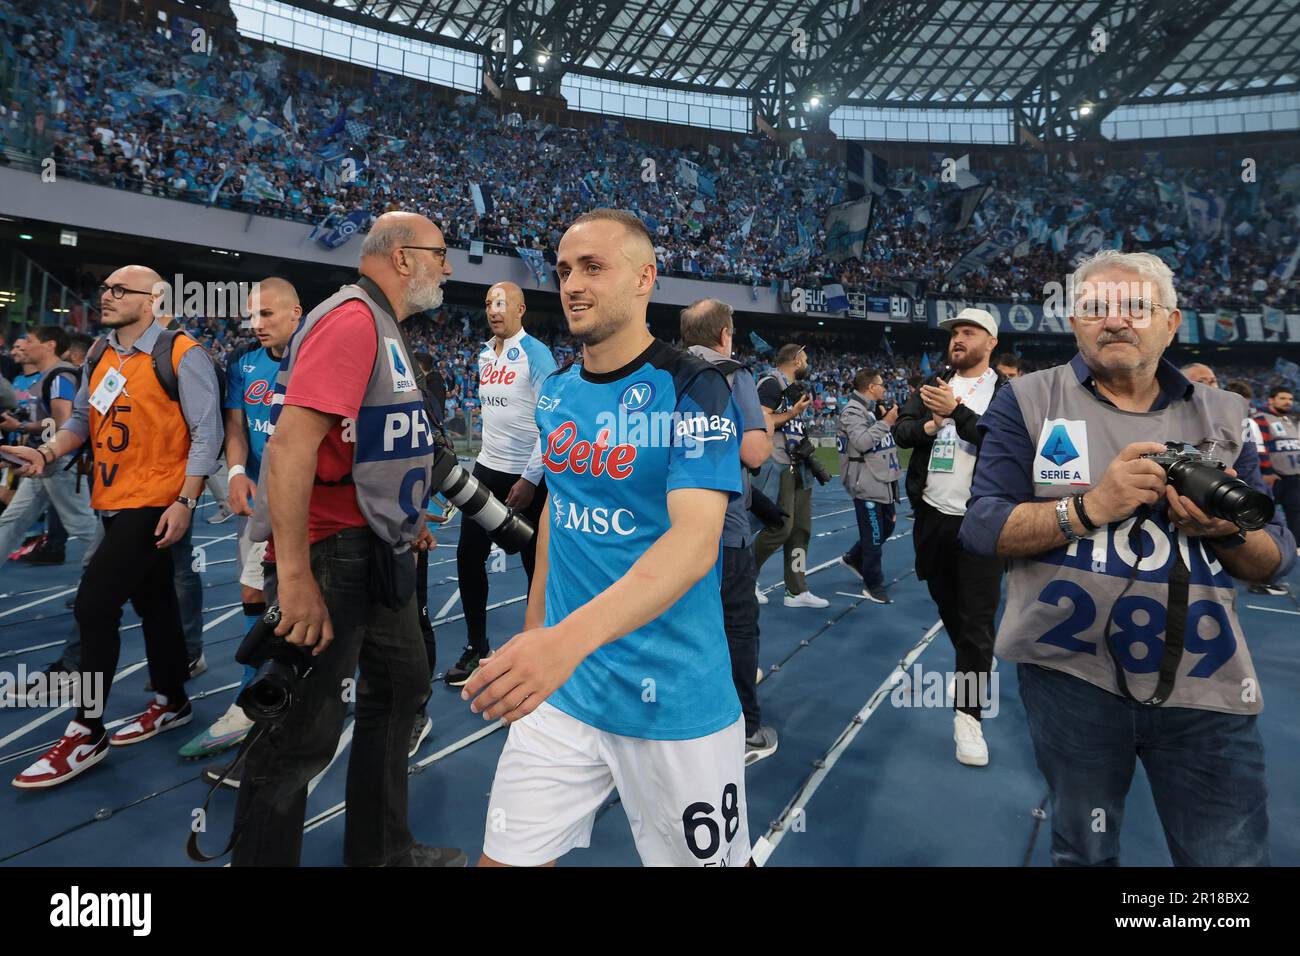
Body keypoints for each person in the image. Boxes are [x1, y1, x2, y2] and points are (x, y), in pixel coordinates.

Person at [961, 249, 1294, 866]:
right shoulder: (1027, 399)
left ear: (1171, 322)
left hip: (1205, 680)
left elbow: (1274, 559)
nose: (1115, 322)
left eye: (1136, 308)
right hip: (1069, 678)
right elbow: (982, 528)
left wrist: (1227, 531)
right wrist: (1090, 507)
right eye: (1094, 309)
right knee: (1083, 852)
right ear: (1074, 321)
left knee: (1228, 868)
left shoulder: (1224, 413)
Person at [465, 210, 749, 867]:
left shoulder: (695, 389)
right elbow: (557, 525)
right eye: (564, 270)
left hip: (674, 702)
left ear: (645, 278)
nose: (572, 284)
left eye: (594, 267)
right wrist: (538, 638)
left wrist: (561, 644)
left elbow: (694, 542)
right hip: (565, 692)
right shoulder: (557, 392)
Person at [234, 211, 464, 867]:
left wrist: (404, 516)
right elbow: (289, 450)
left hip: (376, 548)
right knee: (299, 735)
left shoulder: (381, 325)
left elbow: (366, 444)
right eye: (440, 253)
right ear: (401, 258)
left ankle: (381, 851)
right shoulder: (353, 320)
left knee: (400, 689)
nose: (448, 267)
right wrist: (296, 577)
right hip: (331, 558)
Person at [5, 265, 223, 789]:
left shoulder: (180, 354)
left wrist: (186, 502)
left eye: (120, 289)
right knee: (156, 604)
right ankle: (172, 701)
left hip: (155, 501)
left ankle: (86, 729)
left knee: (94, 606)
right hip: (112, 499)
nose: (106, 295)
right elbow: (83, 418)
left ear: (152, 300)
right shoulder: (102, 352)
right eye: (105, 288)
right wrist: (46, 451)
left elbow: (206, 431)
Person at [180, 277, 302, 770]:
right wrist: (234, 471)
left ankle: (312, 693)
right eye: (253, 315)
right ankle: (253, 698)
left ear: (297, 312)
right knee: (254, 594)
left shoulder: (318, 358)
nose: (257, 324)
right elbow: (235, 424)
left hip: (312, 504)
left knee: (303, 598)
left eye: (268, 315)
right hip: (260, 502)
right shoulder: (242, 363)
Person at [893, 307, 1008, 768]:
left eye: (968, 332)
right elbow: (901, 431)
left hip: (981, 520)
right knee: (949, 608)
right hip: (934, 516)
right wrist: (927, 423)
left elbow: (999, 439)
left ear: (990, 342)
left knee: (977, 622)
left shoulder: (1007, 392)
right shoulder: (933, 386)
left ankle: (968, 715)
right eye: (954, 333)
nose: (957, 339)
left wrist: (956, 413)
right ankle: (975, 660)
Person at [681, 297, 778, 765]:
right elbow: (756, 452)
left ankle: (686, 717)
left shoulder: (665, 370)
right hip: (724, 525)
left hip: (671, 524)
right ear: (724, 335)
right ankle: (743, 729)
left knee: (682, 621)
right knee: (737, 624)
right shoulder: (732, 374)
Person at [446, 281, 555, 687]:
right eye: (489, 302)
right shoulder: (480, 354)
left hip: (529, 476)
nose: (494, 309)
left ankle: (535, 648)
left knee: (534, 564)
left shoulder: (536, 353)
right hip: (487, 470)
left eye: (502, 302)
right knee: (466, 555)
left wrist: (530, 477)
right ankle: (478, 646)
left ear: (521, 309)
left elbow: (551, 419)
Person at [0, 325, 97, 571]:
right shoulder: (47, 376)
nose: (24, 345)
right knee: (12, 520)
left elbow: (62, 421)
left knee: (82, 525)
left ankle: (113, 581)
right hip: (44, 461)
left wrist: (22, 427)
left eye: (30, 340)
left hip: (60, 461)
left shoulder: (59, 376)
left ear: (49, 345)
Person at [753, 344, 828, 609]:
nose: (808, 363)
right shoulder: (770, 383)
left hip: (799, 464)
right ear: (796, 360)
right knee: (780, 527)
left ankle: (796, 590)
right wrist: (792, 413)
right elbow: (763, 421)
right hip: (780, 464)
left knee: (801, 530)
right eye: (805, 359)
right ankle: (746, 576)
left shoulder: (792, 387)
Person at [837, 368, 902, 604]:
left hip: (880, 479)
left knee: (887, 528)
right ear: (871, 387)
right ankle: (873, 584)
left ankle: (854, 558)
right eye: (881, 384)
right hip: (865, 480)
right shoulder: (853, 411)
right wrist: (886, 423)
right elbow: (862, 442)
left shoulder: (869, 411)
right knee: (874, 535)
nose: (884, 388)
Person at [1253, 386, 1300, 554]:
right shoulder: (1261, 418)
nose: (1287, 402)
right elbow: (1260, 448)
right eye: (1282, 398)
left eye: (1290, 399)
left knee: (1295, 512)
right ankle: (1265, 551)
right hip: (1272, 477)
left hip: (1293, 477)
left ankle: (1296, 546)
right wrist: (1266, 472)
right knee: (1266, 513)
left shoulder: (1292, 419)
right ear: (1271, 400)